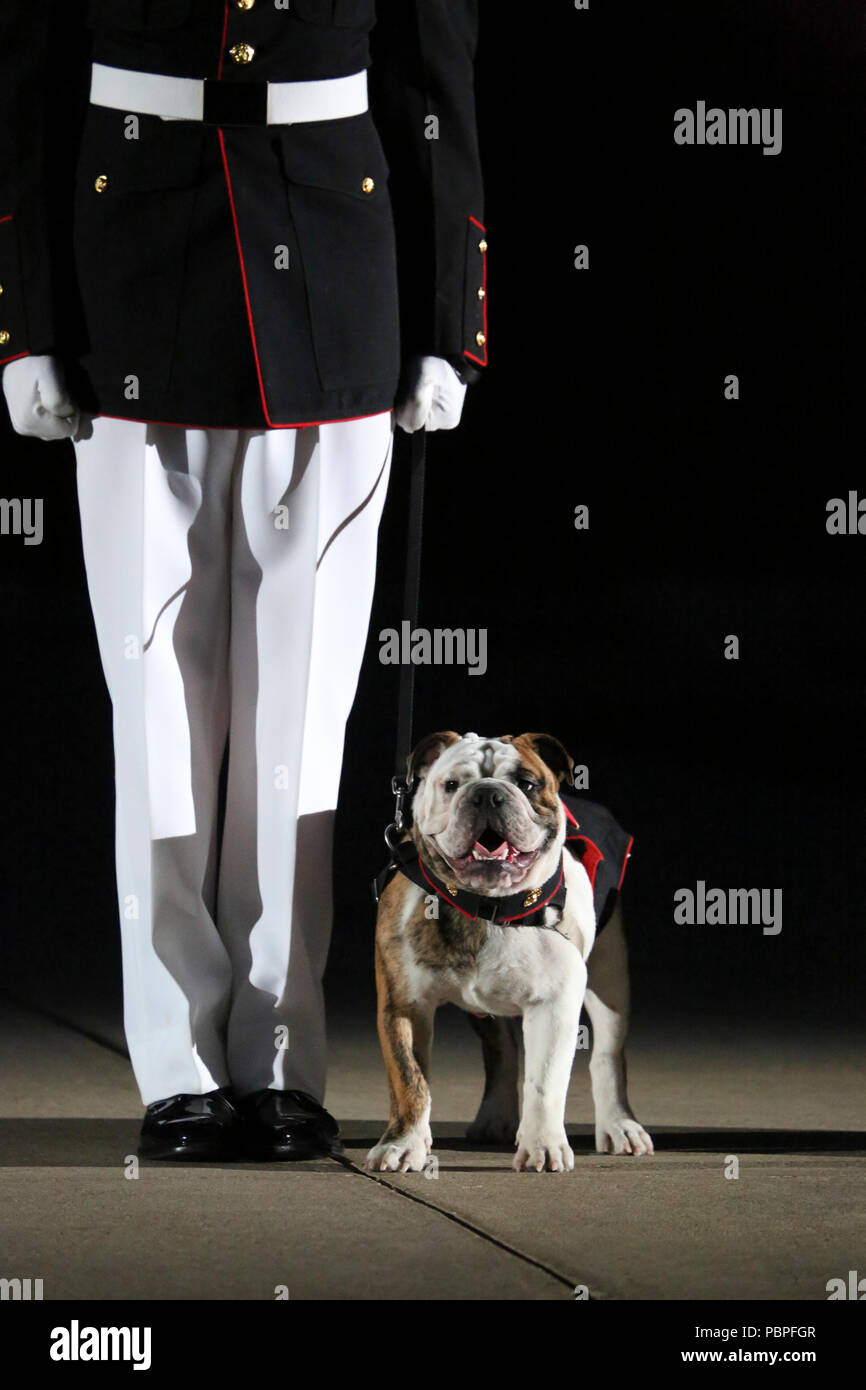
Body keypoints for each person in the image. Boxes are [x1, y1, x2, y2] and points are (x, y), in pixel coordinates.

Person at [0, 0, 487, 1161]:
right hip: (128, 264)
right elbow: (24, 72)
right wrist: (24, 324)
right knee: (155, 703)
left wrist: (444, 322)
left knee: (300, 713)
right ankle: (177, 1061)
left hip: (330, 262)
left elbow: (434, 79)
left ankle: (278, 1055)